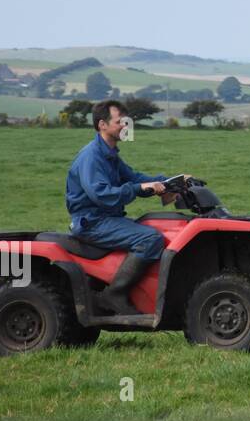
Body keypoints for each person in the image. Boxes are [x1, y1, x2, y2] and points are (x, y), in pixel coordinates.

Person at [65, 99, 181, 315]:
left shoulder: (109, 154)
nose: (125, 126)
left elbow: (135, 177)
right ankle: (114, 294)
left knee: (155, 227)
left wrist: (171, 182)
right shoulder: (92, 157)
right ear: (102, 124)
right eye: (120, 122)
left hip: (106, 218)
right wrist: (137, 188)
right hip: (93, 222)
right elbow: (102, 195)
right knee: (150, 238)